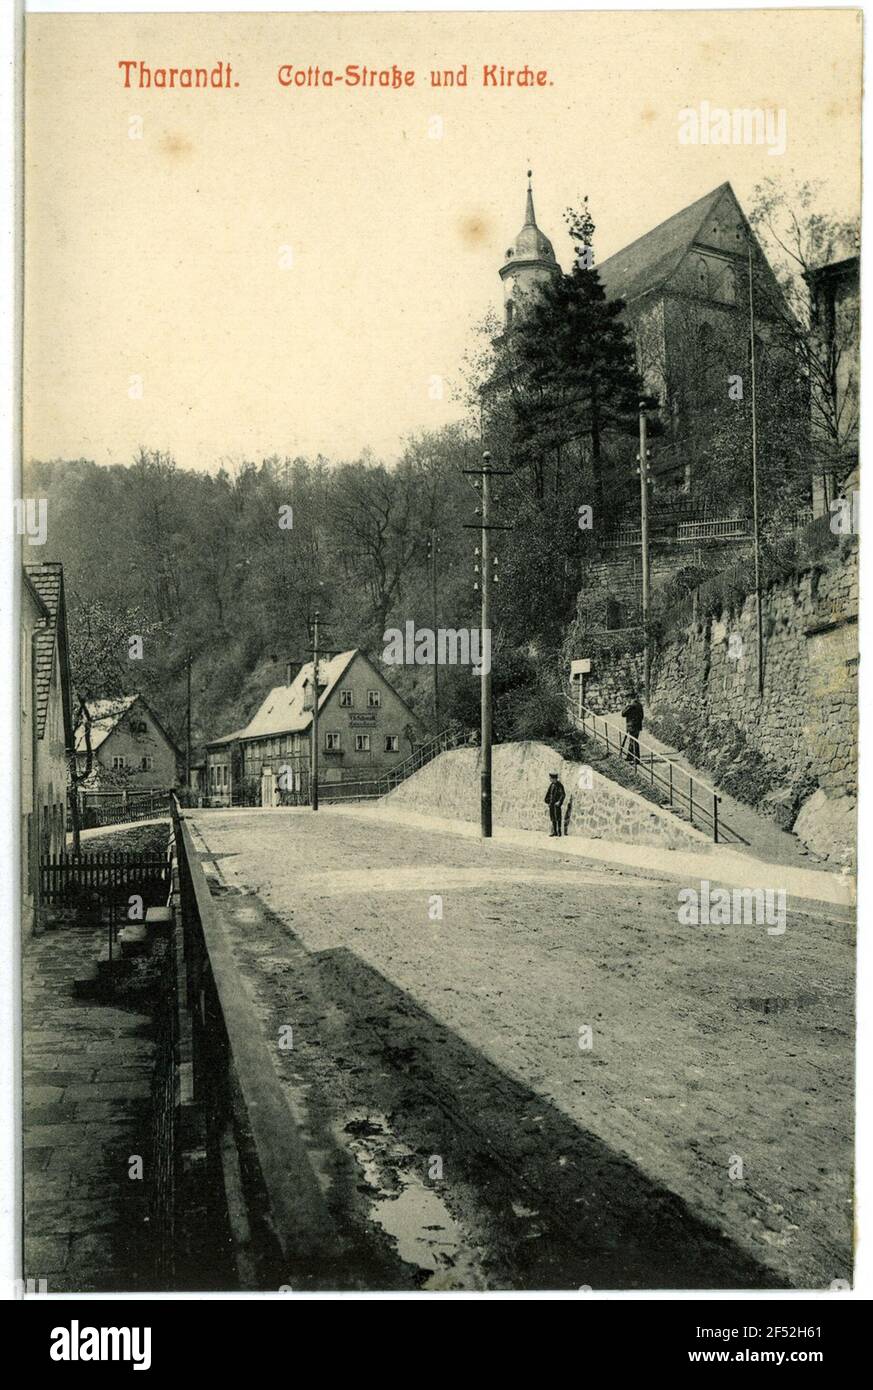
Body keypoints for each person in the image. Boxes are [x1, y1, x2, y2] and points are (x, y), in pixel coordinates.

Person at [623, 690, 644, 766]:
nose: (626, 699)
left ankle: (636, 759)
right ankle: (630, 756)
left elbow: (623, 713)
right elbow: (642, 716)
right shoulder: (639, 704)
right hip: (637, 726)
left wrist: (627, 705)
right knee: (633, 741)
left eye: (627, 697)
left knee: (633, 742)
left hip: (632, 726)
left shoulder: (631, 705)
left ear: (630, 698)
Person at [544, 771, 565, 836]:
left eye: (551, 778)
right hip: (551, 804)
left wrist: (559, 802)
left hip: (556, 805)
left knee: (558, 817)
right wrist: (547, 801)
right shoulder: (551, 785)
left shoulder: (559, 785)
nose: (550, 779)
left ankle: (559, 832)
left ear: (554, 778)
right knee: (552, 818)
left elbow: (563, 794)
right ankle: (554, 832)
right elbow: (548, 794)